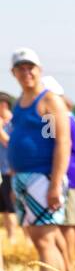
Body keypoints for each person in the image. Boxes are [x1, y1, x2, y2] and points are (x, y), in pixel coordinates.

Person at [8, 48, 72, 271]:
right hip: (23, 178)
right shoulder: (20, 102)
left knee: (44, 240)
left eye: (30, 68)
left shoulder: (48, 101)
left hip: (43, 178)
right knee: (42, 239)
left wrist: (55, 183)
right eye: (21, 69)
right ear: (14, 73)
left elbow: (60, 143)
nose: (26, 73)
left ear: (39, 70)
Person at [42, 77, 75, 270]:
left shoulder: (51, 120)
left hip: (63, 175)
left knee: (66, 225)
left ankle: (68, 266)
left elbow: (49, 148)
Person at [0, 91, 17, 247]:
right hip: (1, 171)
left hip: (11, 171)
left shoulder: (14, 123)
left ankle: (20, 238)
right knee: (3, 208)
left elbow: (12, 144)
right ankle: (10, 236)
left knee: (12, 207)